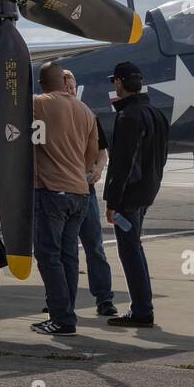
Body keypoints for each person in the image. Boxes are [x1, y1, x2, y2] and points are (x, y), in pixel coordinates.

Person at [31, 61, 99, 335]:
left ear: (41, 83)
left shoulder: (39, 104)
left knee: (48, 256)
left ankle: (61, 317)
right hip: (80, 193)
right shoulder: (86, 110)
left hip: (51, 191)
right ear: (63, 81)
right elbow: (91, 156)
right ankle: (66, 313)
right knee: (69, 255)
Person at [103, 61, 170, 328]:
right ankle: (142, 306)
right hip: (146, 192)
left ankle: (142, 310)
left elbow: (122, 164)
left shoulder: (128, 117)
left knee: (129, 251)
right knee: (136, 249)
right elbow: (161, 158)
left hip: (129, 196)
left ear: (119, 82)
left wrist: (112, 201)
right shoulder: (156, 113)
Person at [61, 69, 118, 317]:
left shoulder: (88, 116)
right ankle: (62, 299)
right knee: (65, 249)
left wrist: (98, 169)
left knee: (94, 246)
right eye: (65, 86)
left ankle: (104, 298)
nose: (70, 90)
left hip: (85, 192)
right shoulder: (49, 118)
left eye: (72, 85)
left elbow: (102, 150)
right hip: (60, 192)